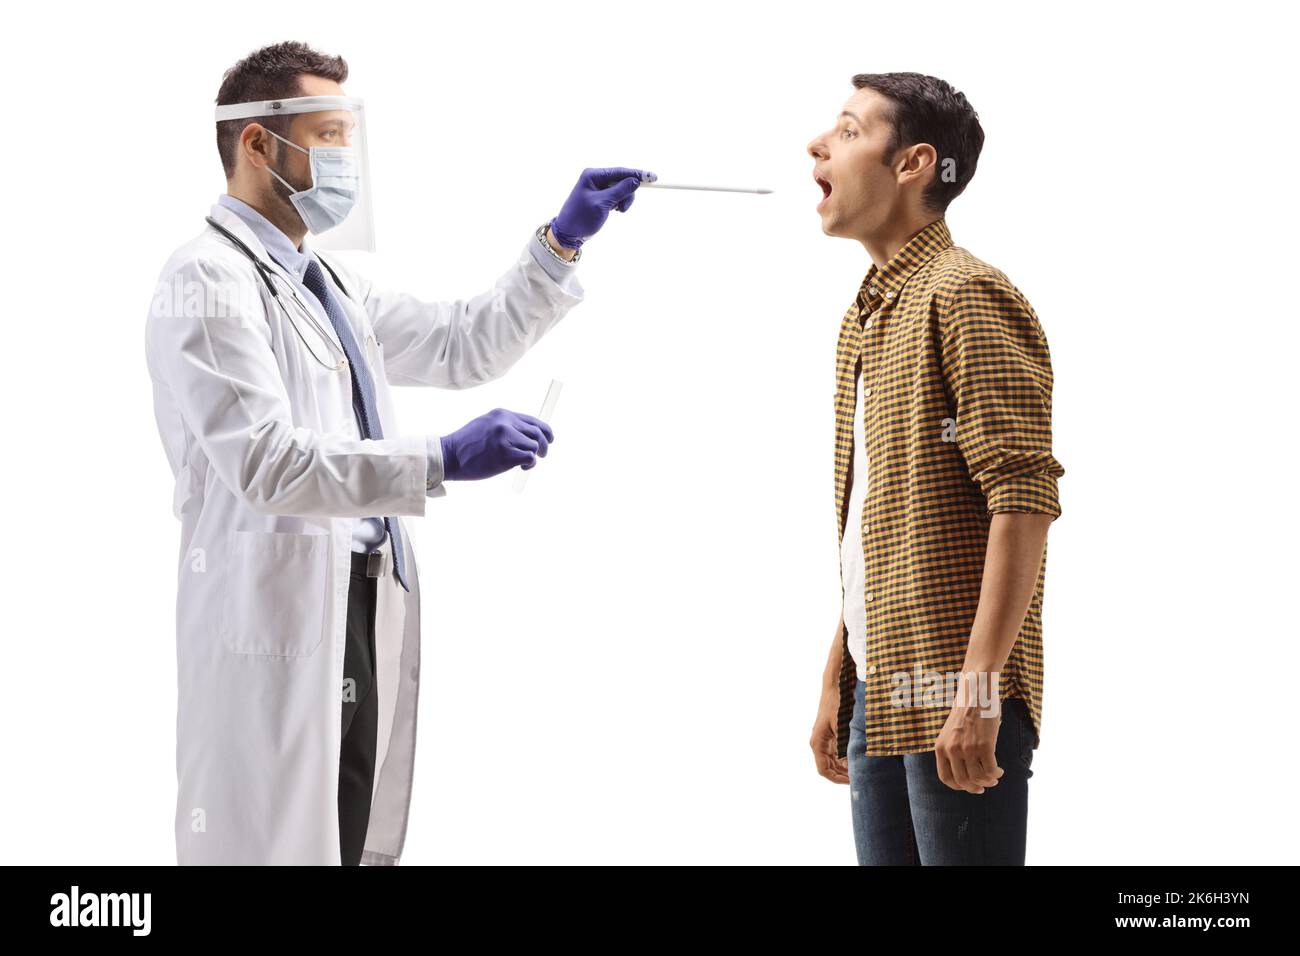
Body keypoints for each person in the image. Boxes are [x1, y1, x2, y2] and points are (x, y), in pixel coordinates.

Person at [144, 40, 652, 865]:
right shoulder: (205, 280)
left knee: (345, 841)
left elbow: (460, 344)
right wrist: (439, 460)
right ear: (257, 144)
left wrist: (560, 242)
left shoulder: (327, 283)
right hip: (272, 614)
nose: (346, 158)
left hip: (357, 603)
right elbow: (269, 463)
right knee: (267, 844)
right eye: (328, 134)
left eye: (349, 136)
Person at [805, 73, 1065, 865]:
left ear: (914, 164)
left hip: (953, 680)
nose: (818, 145)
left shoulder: (966, 294)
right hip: (879, 683)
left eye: (848, 131)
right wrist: (835, 676)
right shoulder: (868, 316)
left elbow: (1022, 498)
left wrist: (980, 691)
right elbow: (880, 522)